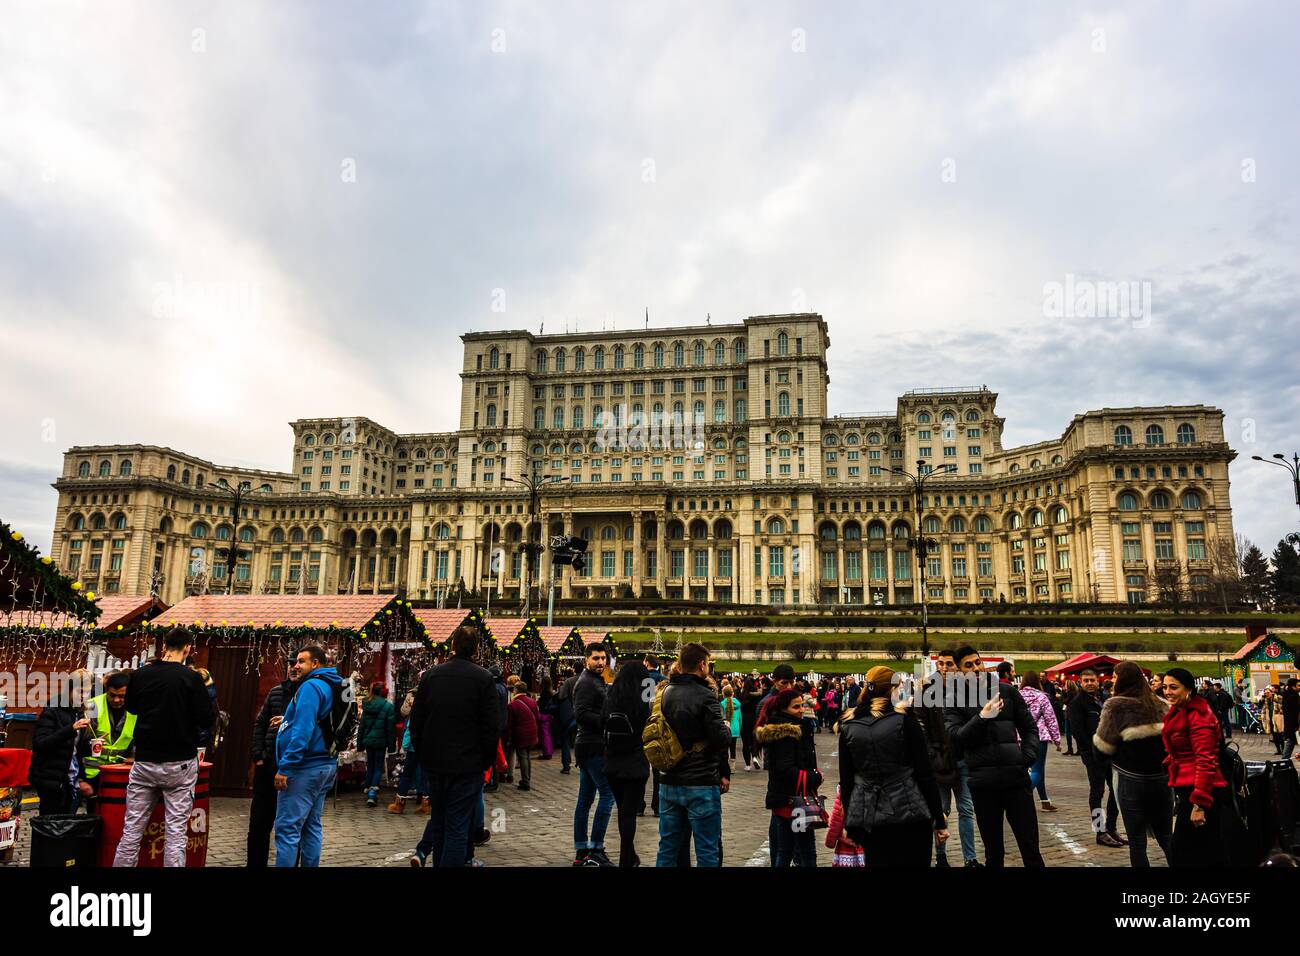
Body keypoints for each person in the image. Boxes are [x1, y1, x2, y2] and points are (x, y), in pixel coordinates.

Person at [113, 629, 215, 867]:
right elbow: (206, 718)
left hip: (146, 759)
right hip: (180, 761)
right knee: (176, 835)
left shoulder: (141, 675)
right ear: (188, 648)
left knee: (131, 832)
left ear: (164, 646)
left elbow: (133, 709)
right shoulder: (191, 679)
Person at [408, 625, 500, 867]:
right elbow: (492, 725)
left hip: (435, 762)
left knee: (439, 820)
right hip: (468, 765)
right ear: (477, 649)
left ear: (452, 646)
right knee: (458, 824)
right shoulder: (483, 679)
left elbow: (416, 720)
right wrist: (485, 760)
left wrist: (422, 751)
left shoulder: (431, 676)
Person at [944, 645, 1043, 867]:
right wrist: (982, 716)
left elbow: (1029, 728)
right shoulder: (954, 699)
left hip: (1016, 778)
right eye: (968, 665)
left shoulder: (1007, 691)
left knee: (1031, 849)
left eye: (977, 662)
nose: (976, 668)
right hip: (983, 784)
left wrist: (1026, 756)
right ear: (960, 672)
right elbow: (956, 738)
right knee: (994, 852)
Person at [840, 665, 947, 867]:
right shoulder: (905, 721)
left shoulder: (849, 726)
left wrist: (851, 823)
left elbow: (847, 780)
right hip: (910, 809)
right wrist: (938, 819)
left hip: (869, 812)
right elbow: (925, 774)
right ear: (893, 689)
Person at [656, 642, 732, 868]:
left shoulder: (665, 693)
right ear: (702, 664)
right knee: (707, 849)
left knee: (668, 847)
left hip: (669, 779)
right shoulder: (705, 695)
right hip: (700, 780)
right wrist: (726, 728)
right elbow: (721, 739)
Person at [272, 645, 344, 868]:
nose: (296, 665)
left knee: (287, 829)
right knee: (312, 826)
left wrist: (286, 767)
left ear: (316, 664)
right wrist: (287, 719)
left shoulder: (311, 686)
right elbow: (323, 717)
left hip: (305, 767)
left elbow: (303, 731)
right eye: (296, 661)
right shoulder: (336, 683)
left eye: (302, 661)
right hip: (326, 764)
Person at [1095, 661, 1171, 867]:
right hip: (1162, 779)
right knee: (1166, 836)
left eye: (1114, 676)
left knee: (1137, 842)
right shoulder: (1161, 704)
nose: (1111, 680)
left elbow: (1103, 746)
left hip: (1131, 778)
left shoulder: (1116, 705)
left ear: (1123, 679)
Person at [1161, 668, 1233, 866]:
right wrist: (1171, 761)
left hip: (1202, 791)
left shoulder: (1199, 716)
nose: (1167, 692)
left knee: (1185, 850)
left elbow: (1206, 760)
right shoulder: (1179, 711)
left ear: (1189, 690)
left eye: (1174, 687)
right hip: (1188, 787)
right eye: (1165, 687)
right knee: (1205, 849)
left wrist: (1199, 804)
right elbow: (1184, 751)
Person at [757, 687, 822, 867]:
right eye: (796, 707)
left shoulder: (787, 728)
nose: (801, 710)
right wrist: (814, 777)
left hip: (784, 799)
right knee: (807, 851)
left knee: (785, 850)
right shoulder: (788, 733)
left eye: (801, 705)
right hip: (795, 801)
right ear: (784, 708)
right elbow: (785, 769)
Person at [1067, 667, 1126, 848]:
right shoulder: (1076, 703)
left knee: (1115, 790)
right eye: (1086, 681)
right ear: (1080, 682)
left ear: (1098, 681)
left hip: (1110, 752)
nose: (1090, 683)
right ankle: (1100, 831)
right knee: (1097, 791)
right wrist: (1094, 750)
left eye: (1092, 680)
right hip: (1093, 755)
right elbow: (1079, 732)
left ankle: (1111, 827)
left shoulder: (1102, 698)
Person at [602, 658, 652, 867]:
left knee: (622, 809)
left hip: (612, 760)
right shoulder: (642, 700)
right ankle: (626, 856)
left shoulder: (611, 696)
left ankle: (630, 855)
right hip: (635, 760)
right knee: (629, 812)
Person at [932, 649, 979, 867]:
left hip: (962, 758)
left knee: (966, 809)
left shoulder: (967, 691)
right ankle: (941, 856)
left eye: (948, 664)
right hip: (939, 761)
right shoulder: (928, 692)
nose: (943, 668)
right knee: (942, 811)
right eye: (940, 663)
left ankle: (970, 858)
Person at [572, 642, 616, 867]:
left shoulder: (595, 680)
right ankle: (596, 848)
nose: (600, 662)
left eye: (603, 658)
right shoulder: (586, 683)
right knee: (608, 795)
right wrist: (606, 720)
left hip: (589, 744)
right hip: (593, 745)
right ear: (586, 660)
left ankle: (581, 850)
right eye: (596, 658)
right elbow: (580, 714)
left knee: (586, 799)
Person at [247, 666, 296, 865]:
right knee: (259, 823)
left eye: (299, 663)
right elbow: (260, 723)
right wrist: (258, 755)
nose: (294, 667)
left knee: (290, 826)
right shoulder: (276, 691)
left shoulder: (309, 693)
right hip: (267, 764)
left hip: (292, 767)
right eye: (292, 663)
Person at [31, 669, 94, 815]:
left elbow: (76, 752)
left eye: (87, 692)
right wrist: (70, 729)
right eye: (80, 691)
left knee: (65, 827)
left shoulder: (81, 712)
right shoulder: (52, 710)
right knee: (50, 826)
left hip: (71, 780)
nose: (83, 696)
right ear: (69, 690)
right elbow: (40, 745)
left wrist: (92, 746)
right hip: (52, 780)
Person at [82, 670, 135, 785]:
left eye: (121, 696)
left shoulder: (135, 710)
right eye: (112, 695)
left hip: (120, 772)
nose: (116, 700)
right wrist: (80, 779)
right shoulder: (92, 706)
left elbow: (136, 742)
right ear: (106, 690)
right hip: (90, 773)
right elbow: (79, 744)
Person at [1018, 671, 1061, 812]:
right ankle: (1019, 797)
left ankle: (1044, 800)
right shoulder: (1042, 697)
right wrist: (1057, 739)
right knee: (1037, 769)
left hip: (1019, 737)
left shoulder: (1016, 695)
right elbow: (1050, 719)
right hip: (1039, 736)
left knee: (1034, 769)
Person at [359, 682, 396, 807]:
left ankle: (368, 787)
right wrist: (392, 748)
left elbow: (362, 726)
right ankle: (372, 793)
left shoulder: (367, 704)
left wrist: (360, 744)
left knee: (371, 765)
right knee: (378, 767)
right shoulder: (388, 707)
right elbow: (391, 729)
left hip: (369, 740)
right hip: (381, 741)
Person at [506, 681, 541, 791]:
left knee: (523, 757)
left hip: (521, 734)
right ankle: (527, 779)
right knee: (527, 756)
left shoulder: (513, 704)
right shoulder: (532, 702)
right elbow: (537, 717)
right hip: (532, 732)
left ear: (516, 690)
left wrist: (509, 737)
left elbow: (510, 723)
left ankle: (525, 782)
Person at [556, 666, 578, 774]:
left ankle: (566, 765)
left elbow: (561, 696)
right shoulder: (587, 679)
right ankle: (582, 762)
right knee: (581, 738)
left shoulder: (569, 681)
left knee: (566, 740)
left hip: (570, 715)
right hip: (583, 714)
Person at [739, 675, 762, 771]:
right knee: (754, 740)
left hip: (744, 719)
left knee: (745, 742)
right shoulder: (756, 696)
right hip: (754, 719)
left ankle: (747, 764)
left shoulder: (742, 694)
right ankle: (755, 757)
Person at [720, 684, 741, 770]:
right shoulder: (737, 703)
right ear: (732, 693)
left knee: (725, 748)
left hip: (725, 728)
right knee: (733, 748)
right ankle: (732, 766)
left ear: (723, 694)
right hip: (735, 728)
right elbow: (740, 717)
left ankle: (725, 766)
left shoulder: (721, 704)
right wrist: (740, 728)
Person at [1261, 686, 1286, 755]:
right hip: (1269, 720)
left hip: (1277, 719)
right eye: (1265, 693)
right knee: (1274, 736)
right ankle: (1278, 750)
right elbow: (1260, 706)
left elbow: (1282, 704)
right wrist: (1262, 699)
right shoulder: (1265, 700)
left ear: (1272, 692)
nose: (1267, 694)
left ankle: (1284, 750)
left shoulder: (1277, 698)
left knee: (1280, 735)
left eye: (1268, 692)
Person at [1281, 678, 1299, 761]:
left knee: (1289, 744)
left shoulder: (1286, 694)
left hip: (1289, 725)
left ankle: (1283, 763)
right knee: (1289, 744)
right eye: (1298, 685)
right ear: (1293, 686)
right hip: (1294, 726)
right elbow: (1296, 713)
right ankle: (1283, 763)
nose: (1299, 687)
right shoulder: (1294, 696)